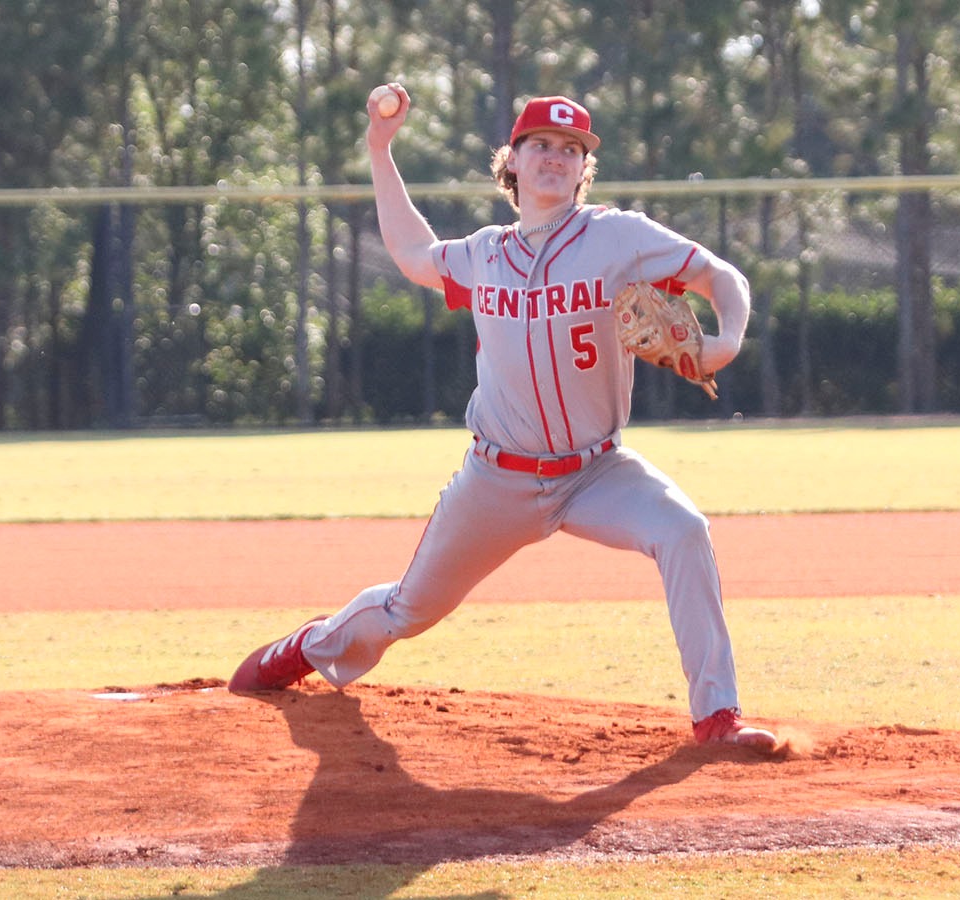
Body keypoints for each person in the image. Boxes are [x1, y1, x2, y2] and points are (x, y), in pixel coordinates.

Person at [228, 85, 774, 748]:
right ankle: (308, 647)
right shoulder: (484, 254)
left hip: (597, 472)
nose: (556, 157)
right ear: (512, 160)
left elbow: (721, 276)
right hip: (497, 480)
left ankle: (717, 717)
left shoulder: (619, 237)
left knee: (683, 530)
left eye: (571, 148)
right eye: (541, 144)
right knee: (406, 611)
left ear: (584, 168)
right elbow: (413, 253)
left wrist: (727, 339)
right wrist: (379, 149)